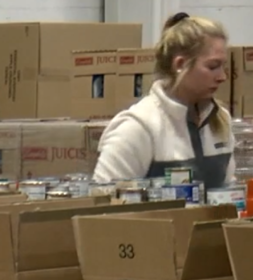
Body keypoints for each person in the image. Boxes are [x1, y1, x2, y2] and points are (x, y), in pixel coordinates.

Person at [93, 12, 235, 189]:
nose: (222, 76)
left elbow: (229, 191)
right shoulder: (138, 128)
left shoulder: (220, 121)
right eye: (212, 67)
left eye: (223, 66)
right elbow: (102, 203)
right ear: (180, 64)